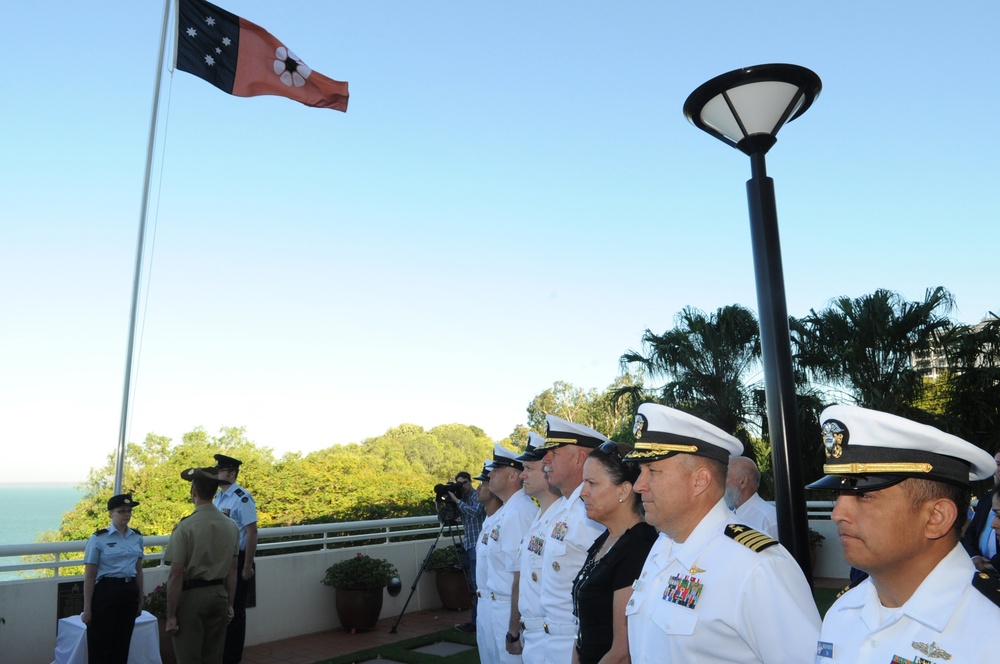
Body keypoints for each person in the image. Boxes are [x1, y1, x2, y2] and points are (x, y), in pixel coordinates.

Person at [625, 402, 820, 663]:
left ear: (700, 481)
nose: (638, 485)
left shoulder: (757, 567)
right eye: (640, 471)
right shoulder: (662, 546)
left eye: (653, 471)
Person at [807, 404, 1000, 663]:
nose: (838, 513)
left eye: (864, 495)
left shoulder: (991, 628)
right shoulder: (843, 610)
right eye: (837, 496)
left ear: (936, 517)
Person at [572, 441, 656, 664]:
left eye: (592, 483)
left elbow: (622, 652)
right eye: (583, 483)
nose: (582, 492)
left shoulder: (638, 546)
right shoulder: (607, 538)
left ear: (623, 490)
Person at [536, 415, 609, 664]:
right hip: (549, 638)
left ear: (580, 458)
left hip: (572, 643)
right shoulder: (564, 508)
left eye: (554, 453)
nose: (545, 460)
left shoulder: (592, 511)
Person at [164, 466, 240, 664]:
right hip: (219, 595)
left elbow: (176, 574)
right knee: (213, 657)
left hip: (191, 599)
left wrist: (171, 615)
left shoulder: (186, 526)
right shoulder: (230, 525)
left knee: (188, 657)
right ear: (214, 493)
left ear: (194, 492)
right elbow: (232, 570)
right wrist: (230, 604)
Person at [484, 442, 538, 664]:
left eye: (497, 471)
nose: (490, 475)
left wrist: (513, 628)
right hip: (499, 605)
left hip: (509, 607)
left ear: (513, 476)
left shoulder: (518, 512)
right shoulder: (509, 510)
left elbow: (519, 574)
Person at [82, 493, 145, 664]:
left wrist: (140, 599)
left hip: (129, 591)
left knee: (122, 643)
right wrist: (87, 608)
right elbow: (89, 576)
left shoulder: (137, 538)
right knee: (101, 643)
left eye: (129, 511)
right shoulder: (98, 539)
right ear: (111, 514)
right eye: (121, 511)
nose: (126, 514)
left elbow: (138, 570)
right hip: (106, 592)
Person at [516, 432, 562, 664]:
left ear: (547, 472)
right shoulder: (538, 516)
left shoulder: (567, 520)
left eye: (529, 469)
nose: (522, 475)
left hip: (552, 638)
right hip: (533, 635)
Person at [213, 453, 258, 664]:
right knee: (223, 608)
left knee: (236, 610)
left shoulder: (242, 498)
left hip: (239, 559)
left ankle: (232, 658)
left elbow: (252, 533)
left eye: (220, 469)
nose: (217, 472)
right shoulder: (218, 497)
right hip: (222, 560)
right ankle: (222, 655)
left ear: (231, 473)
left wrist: (247, 566)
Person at [473, 461, 504, 664]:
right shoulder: (488, 521)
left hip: (499, 604)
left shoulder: (505, 518)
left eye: (484, 482)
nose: (479, 487)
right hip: (484, 602)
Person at [449, 470, 485, 633]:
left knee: (478, 585)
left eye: (464, 482)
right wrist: (441, 503)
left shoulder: (477, 495)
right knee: (473, 585)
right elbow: (447, 519)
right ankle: (475, 621)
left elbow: (475, 511)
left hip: (478, 545)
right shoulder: (460, 498)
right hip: (469, 545)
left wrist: (456, 500)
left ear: (470, 482)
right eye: (459, 483)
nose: (462, 486)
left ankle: (478, 622)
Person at [961, 450, 1000, 572]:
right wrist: (975, 556)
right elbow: (971, 532)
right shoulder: (986, 498)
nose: (993, 524)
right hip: (981, 571)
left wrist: (993, 564)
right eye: (998, 464)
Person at [724, 456, 779, 539]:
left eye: (725, 477)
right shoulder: (730, 514)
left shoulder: (767, 519)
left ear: (743, 481)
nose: (720, 483)